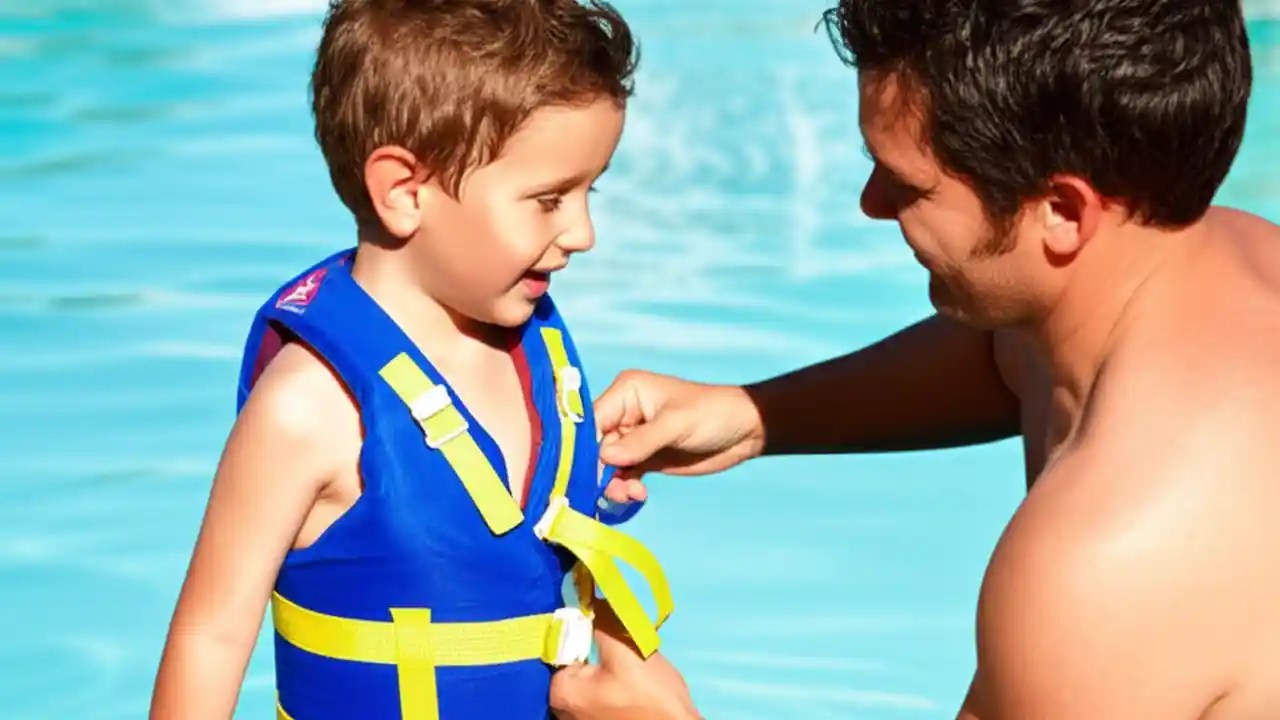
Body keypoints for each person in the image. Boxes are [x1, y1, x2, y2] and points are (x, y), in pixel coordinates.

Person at [551, 0, 1280, 718]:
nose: (872, 202)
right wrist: (752, 416)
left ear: (1062, 210)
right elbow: (1009, 358)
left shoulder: (1104, 571)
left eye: (908, 182)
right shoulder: (1218, 256)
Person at [148, 1, 697, 718]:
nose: (583, 232)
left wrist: (583, 485)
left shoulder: (531, 345)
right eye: (549, 199)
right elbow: (211, 638)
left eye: (590, 191)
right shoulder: (309, 409)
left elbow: (477, 536)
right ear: (405, 193)